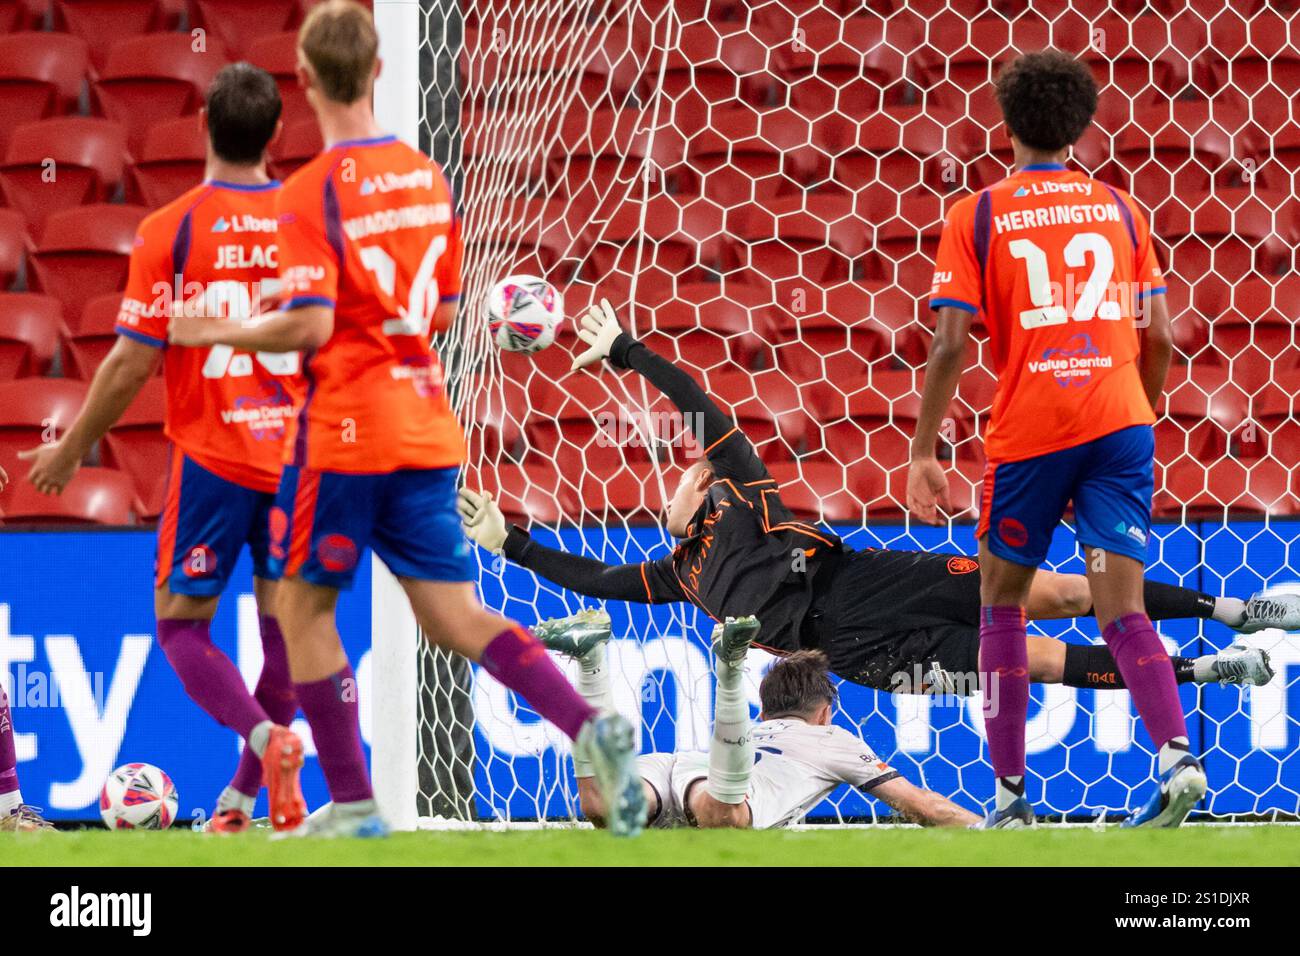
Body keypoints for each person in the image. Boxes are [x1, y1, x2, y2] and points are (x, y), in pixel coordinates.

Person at [167, 0, 643, 837]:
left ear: (305, 79)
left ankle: (353, 806)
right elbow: (447, 304)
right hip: (424, 423)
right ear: (381, 69)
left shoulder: (307, 191)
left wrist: (219, 327)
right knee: (456, 616)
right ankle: (587, 726)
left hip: (345, 432)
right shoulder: (426, 177)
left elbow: (311, 326)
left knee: (303, 612)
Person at [458, 303, 1283, 705]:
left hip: (866, 583)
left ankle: (1233, 607)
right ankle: (1202, 669)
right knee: (1029, 663)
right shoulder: (674, 575)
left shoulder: (741, 493)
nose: (681, 479)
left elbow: (706, 414)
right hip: (849, 655)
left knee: (1059, 593)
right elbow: (593, 581)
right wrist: (509, 543)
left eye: (686, 475)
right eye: (679, 479)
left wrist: (630, 355)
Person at [910, 50, 1195, 828]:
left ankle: (1008, 801)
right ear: (1084, 125)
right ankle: (1176, 759)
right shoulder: (1125, 210)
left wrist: (924, 450)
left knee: (1000, 605)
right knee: (1123, 611)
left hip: (1032, 431)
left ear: (1005, 125)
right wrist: (1136, 412)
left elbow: (949, 346)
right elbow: (1161, 334)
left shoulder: (976, 213)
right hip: (1121, 422)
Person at [21, 64, 300, 834]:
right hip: (297, 461)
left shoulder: (170, 228)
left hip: (214, 454)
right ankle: (243, 801)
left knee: (180, 629)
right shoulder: (310, 225)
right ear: (278, 133)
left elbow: (131, 360)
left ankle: (261, 745)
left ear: (204, 129)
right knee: (286, 631)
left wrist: (74, 447)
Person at [536, 612, 977, 830]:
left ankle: (592, 662)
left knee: (603, 806)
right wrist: (986, 829)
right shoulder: (834, 739)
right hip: (719, 788)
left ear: (764, 710)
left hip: (678, 764)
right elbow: (922, 805)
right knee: (724, 816)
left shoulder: (753, 728)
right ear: (824, 713)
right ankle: (730, 672)